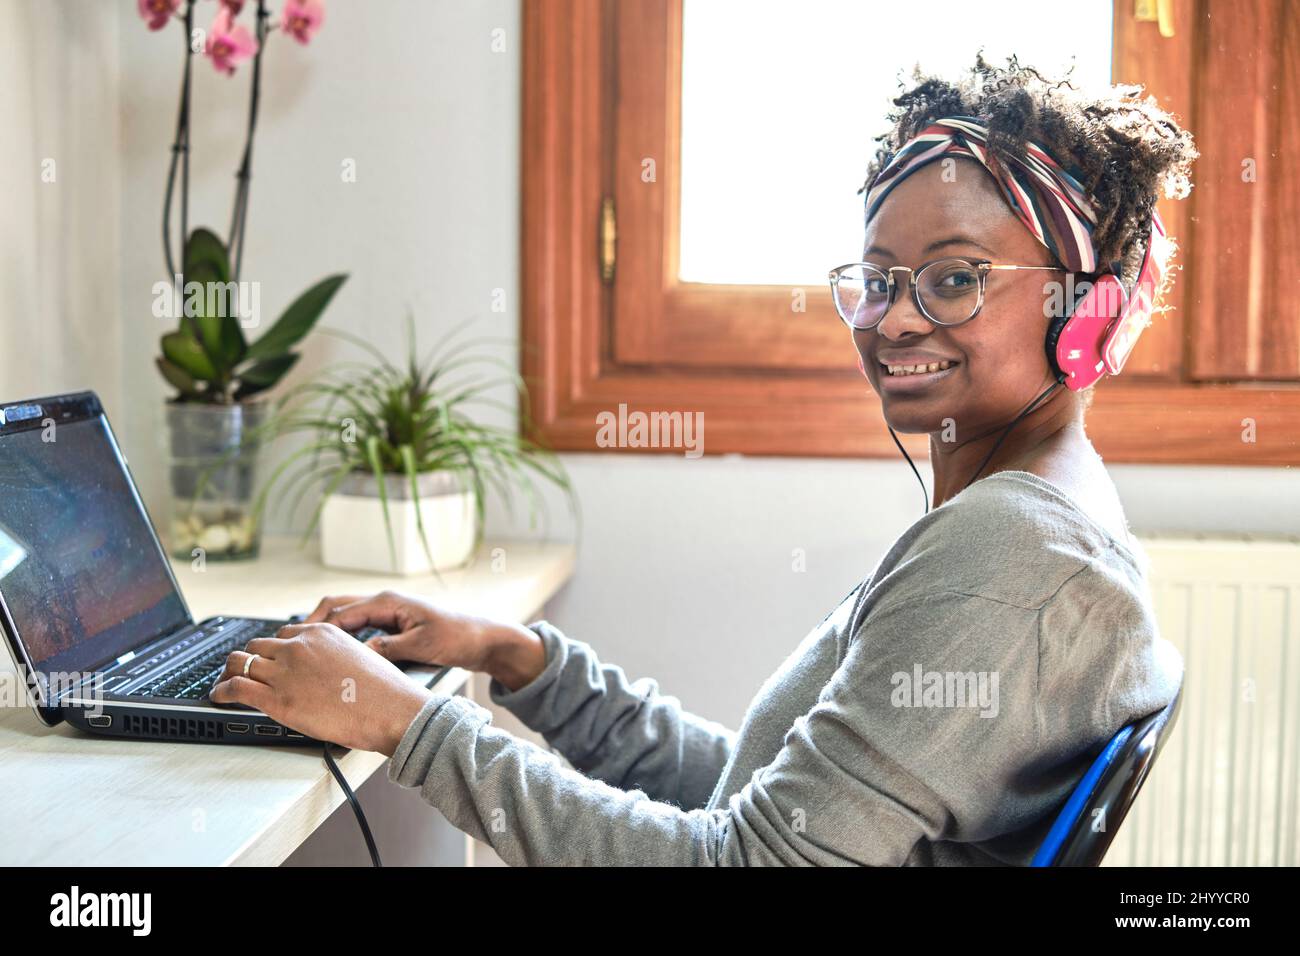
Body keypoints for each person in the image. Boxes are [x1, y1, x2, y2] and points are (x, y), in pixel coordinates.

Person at [211, 55, 1194, 865]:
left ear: (1085, 315)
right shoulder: (1029, 514)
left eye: (952, 278)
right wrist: (516, 656)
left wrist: (407, 725)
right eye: (879, 277)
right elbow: (768, 809)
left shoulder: (1009, 558)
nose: (893, 317)